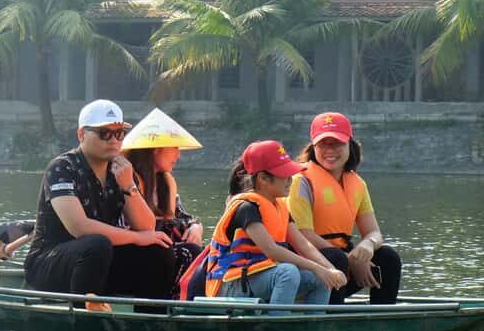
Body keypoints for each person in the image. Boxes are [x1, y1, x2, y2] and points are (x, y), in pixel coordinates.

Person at [24, 100, 176, 311]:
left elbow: (146, 227)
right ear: (81, 135)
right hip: (50, 263)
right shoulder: (62, 168)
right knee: (96, 243)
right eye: (104, 133)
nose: (113, 140)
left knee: (158, 247)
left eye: (119, 133)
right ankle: (82, 315)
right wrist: (137, 238)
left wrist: (128, 186)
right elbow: (80, 227)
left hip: (99, 260)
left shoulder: (121, 170)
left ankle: (152, 320)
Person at [206, 140, 346, 314]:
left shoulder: (280, 207)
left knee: (320, 279)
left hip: (259, 278)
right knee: (288, 272)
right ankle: (277, 325)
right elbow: (271, 250)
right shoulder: (247, 207)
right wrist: (317, 267)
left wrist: (329, 269)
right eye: (285, 175)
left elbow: (304, 245)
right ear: (263, 178)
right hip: (231, 285)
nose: (290, 181)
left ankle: (313, 325)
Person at [288, 112, 402, 304]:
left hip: (343, 260)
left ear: (350, 144)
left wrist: (367, 245)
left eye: (337, 143)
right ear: (314, 147)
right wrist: (349, 259)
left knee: (387, 257)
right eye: (323, 144)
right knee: (335, 258)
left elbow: (374, 232)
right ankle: (330, 316)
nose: (330, 150)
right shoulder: (300, 181)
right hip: (311, 265)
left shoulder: (358, 184)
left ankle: (382, 315)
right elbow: (303, 235)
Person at [122, 108, 203, 295]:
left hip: (163, 249)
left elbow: (182, 215)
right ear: (156, 149)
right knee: (187, 252)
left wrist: (195, 227)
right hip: (137, 253)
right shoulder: (127, 178)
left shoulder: (164, 181)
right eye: (175, 148)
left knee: (203, 252)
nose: (178, 155)